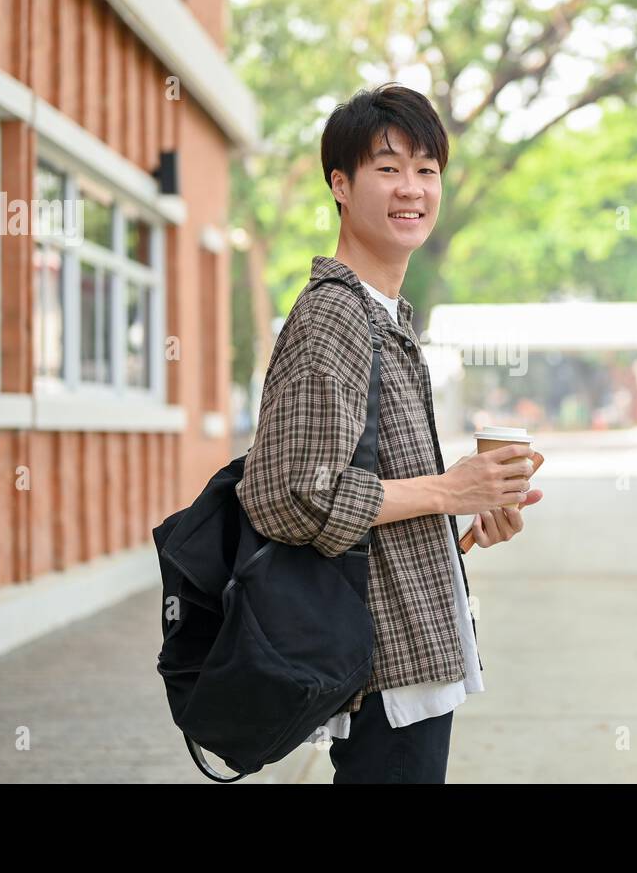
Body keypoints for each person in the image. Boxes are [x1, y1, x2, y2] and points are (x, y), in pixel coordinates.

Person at [236, 82, 544, 783]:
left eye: (426, 170)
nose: (412, 189)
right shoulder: (334, 318)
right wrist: (446, 488)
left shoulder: (387, 316)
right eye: (388, 168)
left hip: (417, 655)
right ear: (340, 185)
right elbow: (290, 496)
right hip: (383, 671)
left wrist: (463, 515)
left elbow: (371, 486)